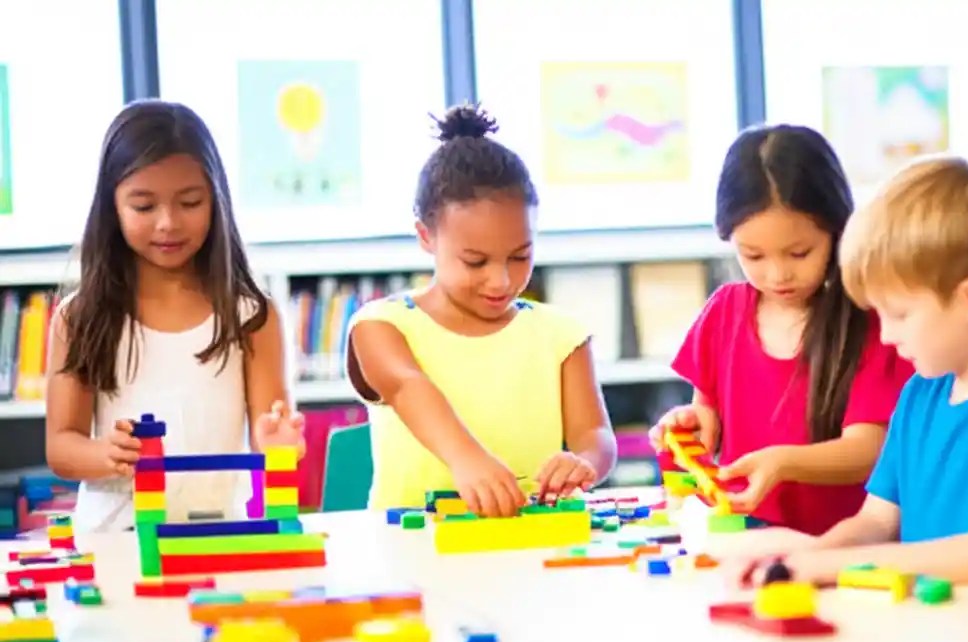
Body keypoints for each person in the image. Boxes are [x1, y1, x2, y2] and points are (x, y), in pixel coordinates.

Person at [733, 156, 968, 586]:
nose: (885, 336)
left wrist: (832, 567)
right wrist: (795, 563)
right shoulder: (919, 394)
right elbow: (875, 523)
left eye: (900, 314)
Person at [45, 100, 304, 533]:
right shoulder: (81, 317)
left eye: (190, 202)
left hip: (219, 533)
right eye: (143, 207)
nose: (168, 223)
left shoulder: (251, 315)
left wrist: (278, 444)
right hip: (116, 539)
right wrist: (107, 453)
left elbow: (269, 430)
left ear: (216, 200)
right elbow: (60, 446)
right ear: (112, 208)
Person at [346, 104, 616, 516]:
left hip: (529, 545)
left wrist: (584, 464)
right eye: (476, 262)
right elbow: (406, 386)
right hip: (413, 554)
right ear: (426, 236)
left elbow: (594, 433)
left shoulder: (562, 336)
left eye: (520, 256)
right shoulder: (381, 325)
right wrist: (466, 458)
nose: (501, 281)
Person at [648, 124, 914, 536]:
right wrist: (688, 425)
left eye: (799, 252)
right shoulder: (724, 312)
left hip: (843, 543)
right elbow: (707, 416)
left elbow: (870, 450)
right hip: (742, 533)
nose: (777, 274)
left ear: (836, 228)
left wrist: (784, 463)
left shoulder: (869, 319)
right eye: (752, 255)